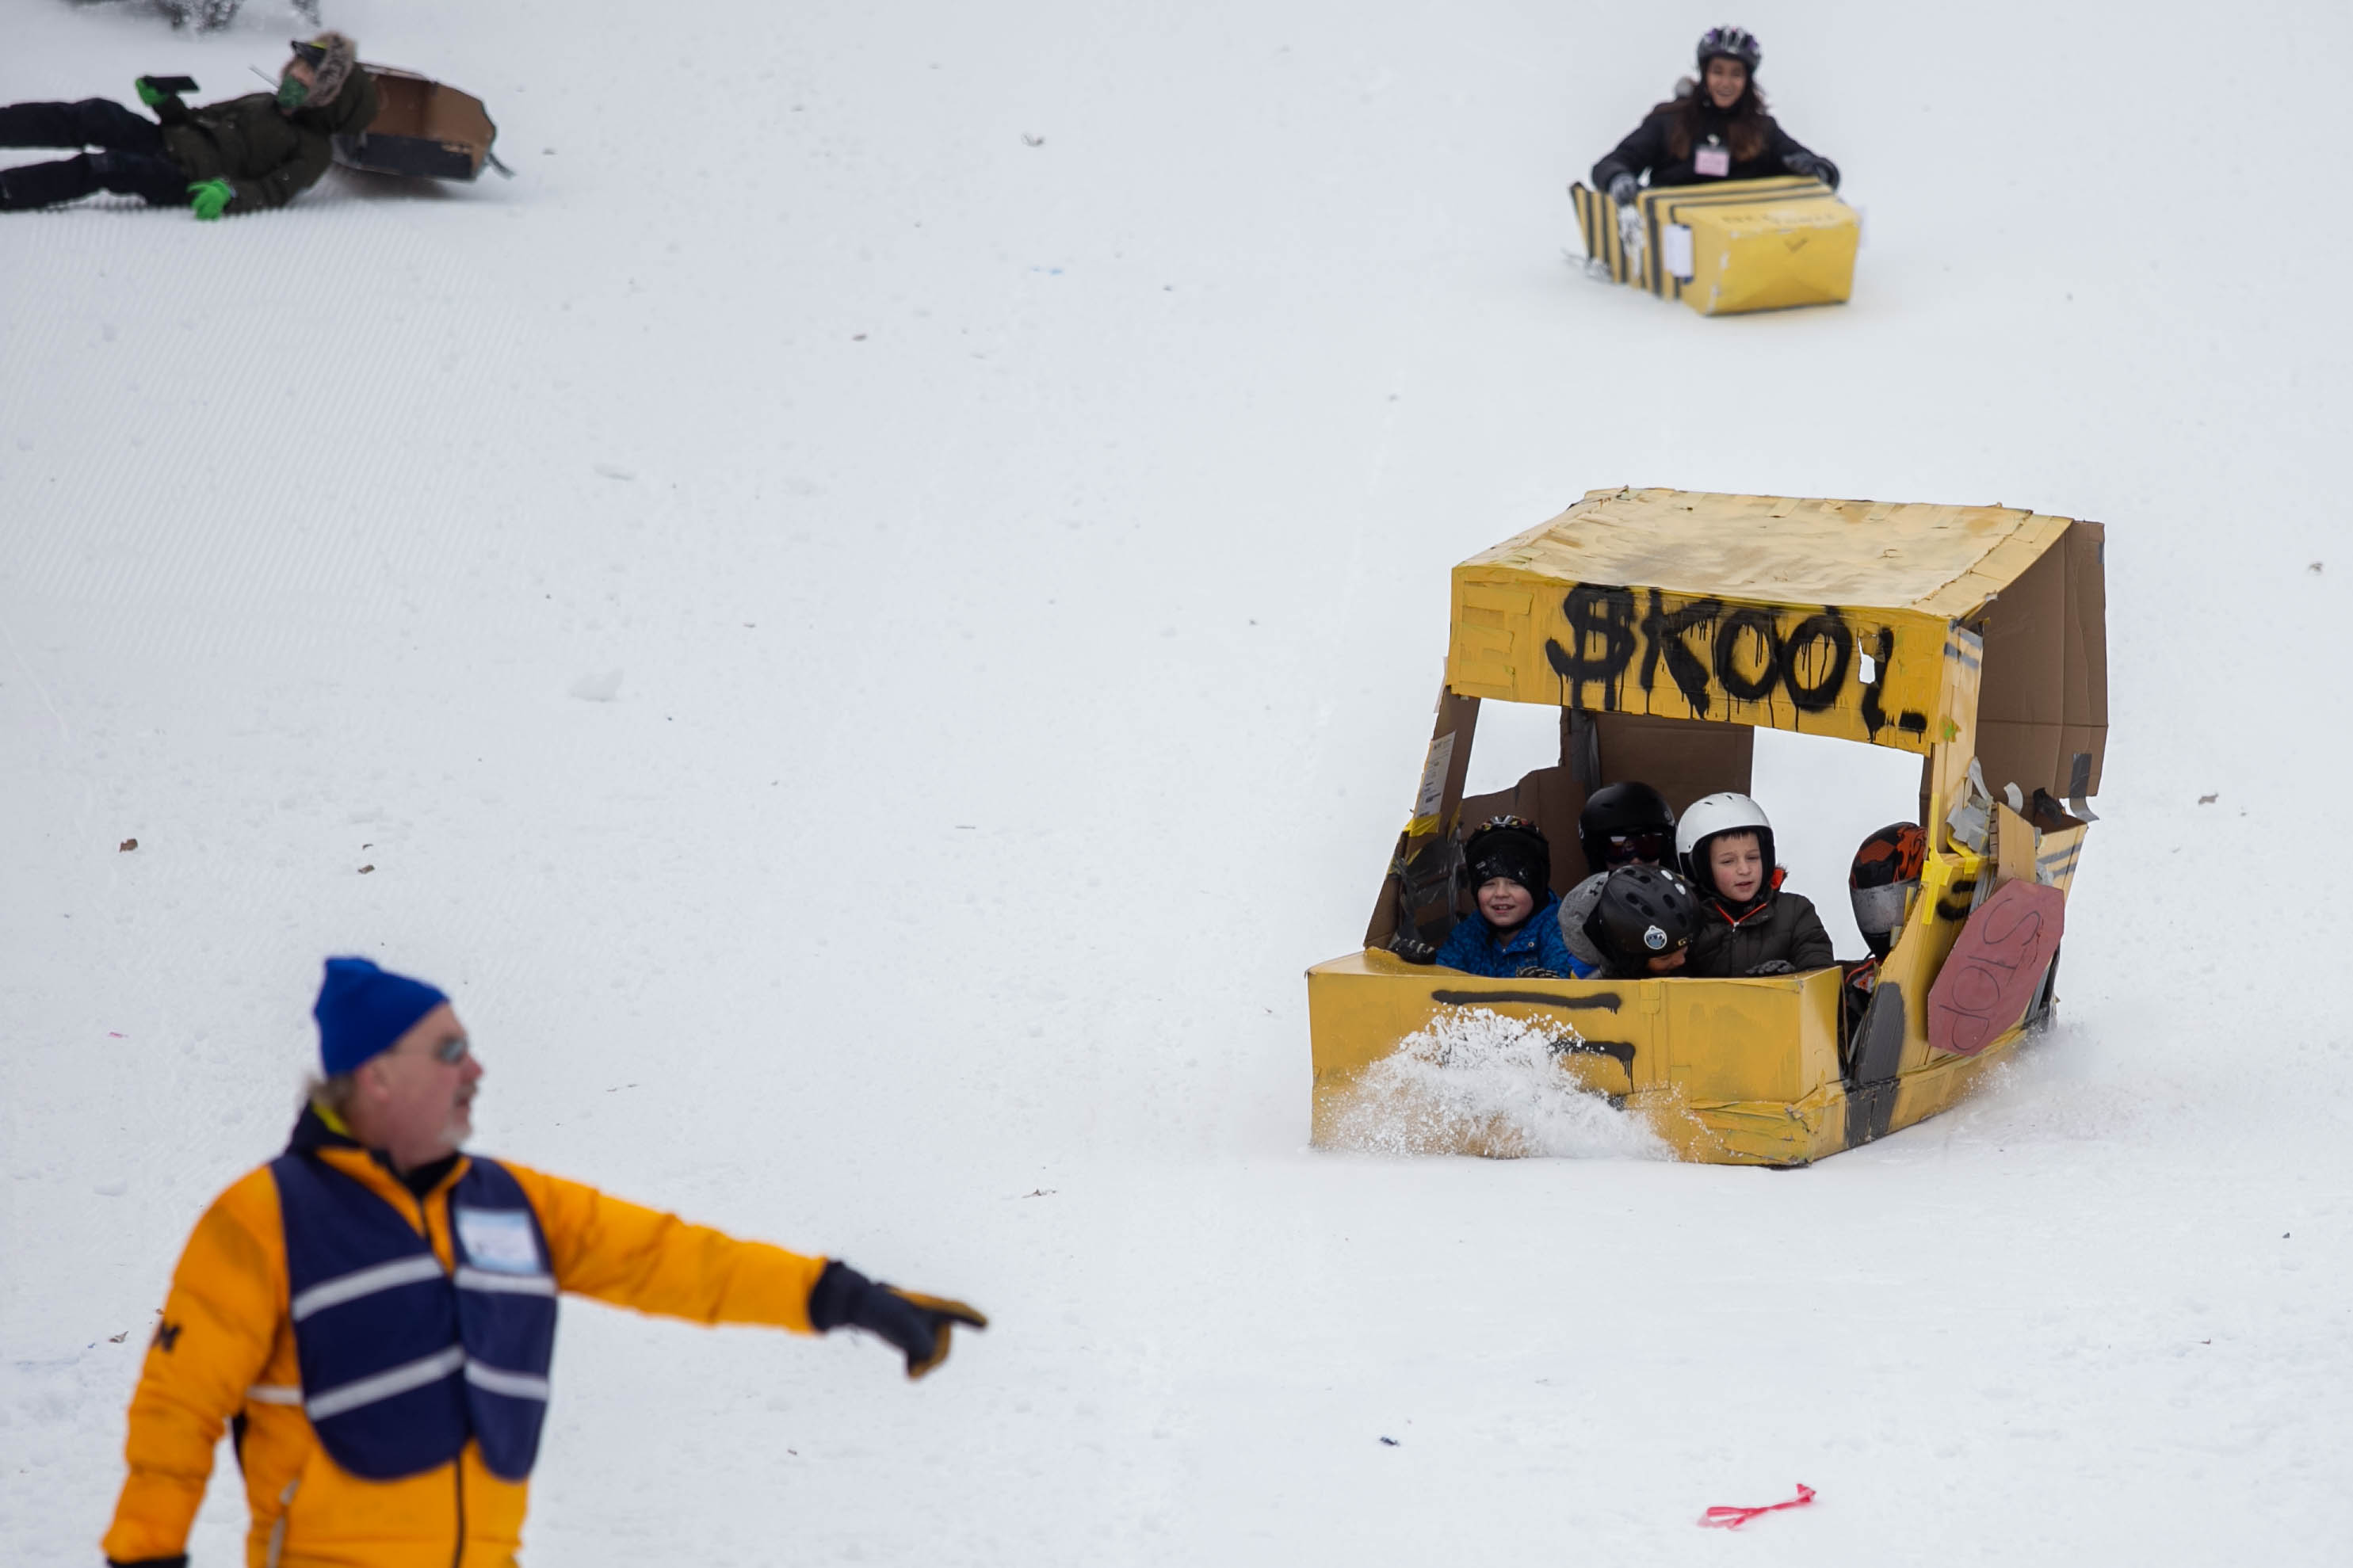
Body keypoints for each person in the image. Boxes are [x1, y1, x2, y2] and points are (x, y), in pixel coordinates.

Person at [101, 956, 985, 1568]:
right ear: (375, 1075)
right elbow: (177, 1411)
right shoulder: (266, 1219)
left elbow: (672, 1259)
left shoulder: (511, 1204)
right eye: (448, 1049)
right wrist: (148, 1554)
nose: (474, 1067)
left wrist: (847, 1297)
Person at [0, 32, 376, 217]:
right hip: (169, 141)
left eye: (308, 71)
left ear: (330, 94)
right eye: (297, 64)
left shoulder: (314, 149)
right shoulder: (263, 101)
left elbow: (273, 191)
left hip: (184, 177)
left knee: (105, 167)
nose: (295, 73)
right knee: (95, 114)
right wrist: (165, 103)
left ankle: (9, 190)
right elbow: (195, 120)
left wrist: (229, 195)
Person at [1589, 25, 1839, 214]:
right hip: (1679, 230)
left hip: (1748, 231)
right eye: (1717, 72)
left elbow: (1824, 170)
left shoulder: (1762, 129)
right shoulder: (1668, 120)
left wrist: (1818, 171)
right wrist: (1618, 179)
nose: (1726, 83)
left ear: (1748, 80)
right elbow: (1610, 164)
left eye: (1736, 74)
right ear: (1704, 74)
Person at [1676, 792, 1835, 978]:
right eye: (1728, 861)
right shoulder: (1684, 921)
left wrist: (1787, 980)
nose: (1744, 869)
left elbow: (1821, 975)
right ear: (1699, 868)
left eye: (1753, 858)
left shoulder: (1795, 912)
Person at [1427, 816, 1591, 979]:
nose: (1500, 893)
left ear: (1537, 886)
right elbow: (1441, 978)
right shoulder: (1471, 933)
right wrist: (1423, 968)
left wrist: (1544, 989)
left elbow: (1567, 983)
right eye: (1489, 884)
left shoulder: (1562, 930)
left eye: (1515, 883)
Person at [1557, 780, 1677, 975]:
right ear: (1597, 854)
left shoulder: (1687, 900)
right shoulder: (1583, 912)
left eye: (1649, 846)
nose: (1636, 860)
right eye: (1618, 848)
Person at [1579, 864, 1700, 978]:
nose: (1681, 961)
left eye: (1684, 948)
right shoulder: (1592, 981)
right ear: (1632, 960)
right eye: (1665, 958)